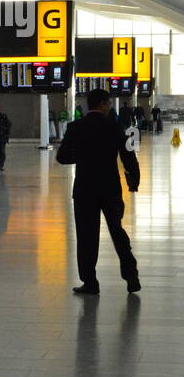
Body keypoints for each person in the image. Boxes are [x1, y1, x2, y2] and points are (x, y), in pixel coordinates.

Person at [57, 88, 140, 295]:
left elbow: (63, 157)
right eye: (109, 103)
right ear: (102, 104)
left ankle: (90, 282)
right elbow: (128, 156)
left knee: (87, 236)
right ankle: (131, 276)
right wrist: (133, 180)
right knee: (117, 231)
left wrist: (84, 157)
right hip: (110, 187)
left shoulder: (75, 127)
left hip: (85, 189)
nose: (110, 106)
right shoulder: (115, 126)